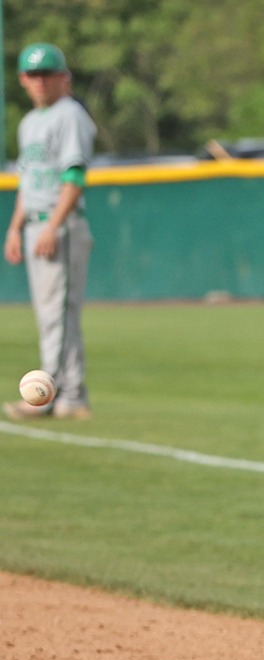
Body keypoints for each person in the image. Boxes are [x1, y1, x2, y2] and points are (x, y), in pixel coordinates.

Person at [5, 43, 94, 422]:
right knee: (51, 314)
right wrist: (15, 228)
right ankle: (71, 398)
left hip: (60, 225)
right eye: (33, 74)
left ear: (64, 78)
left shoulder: (69, 115)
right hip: (34, 223)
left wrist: (53, 227)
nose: (40, 81)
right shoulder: (28, 123)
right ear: (23, 79)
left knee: (58, 313)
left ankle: (51, 395)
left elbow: (74, 177)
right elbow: (27, 183)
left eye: (47, 74)